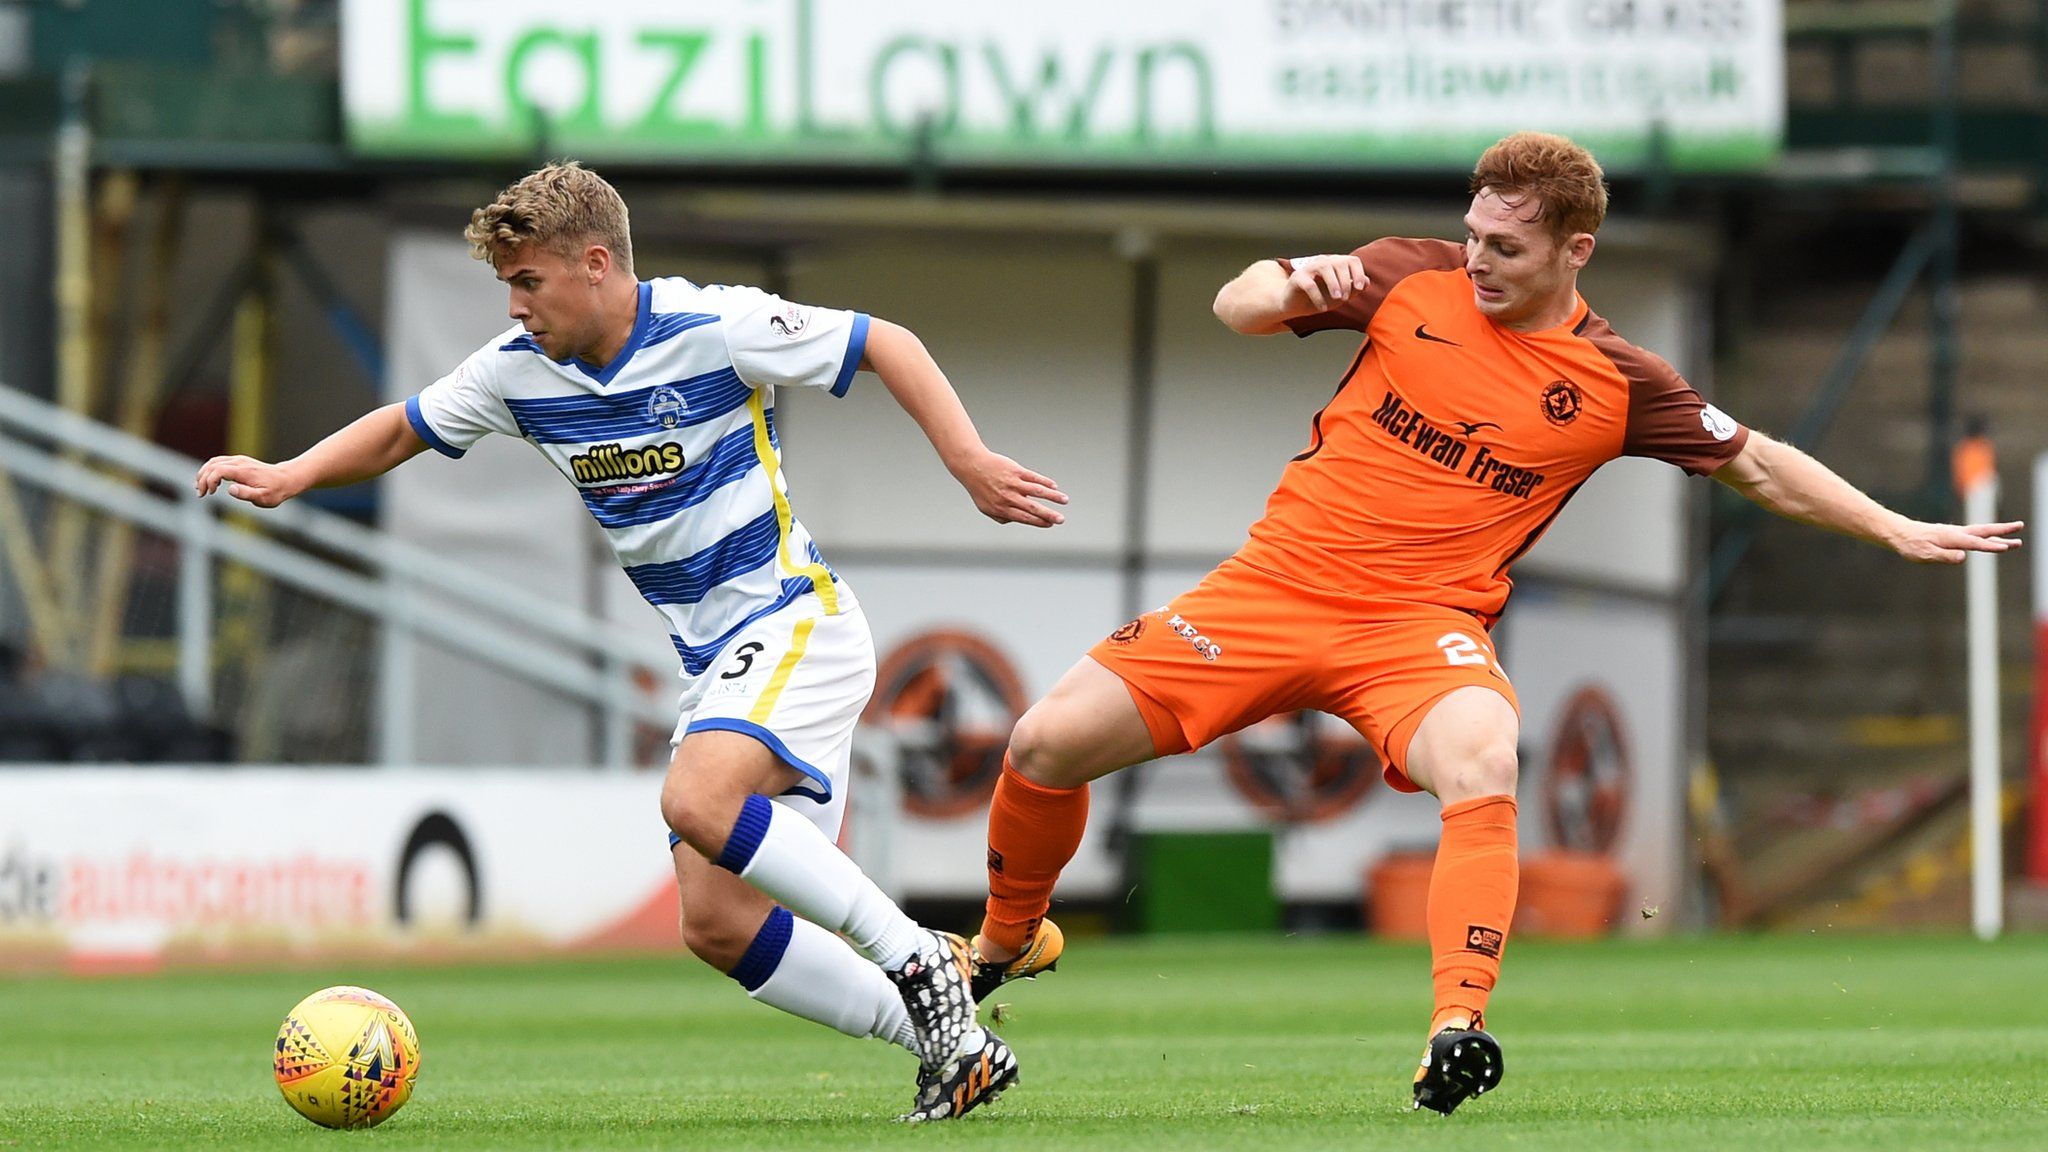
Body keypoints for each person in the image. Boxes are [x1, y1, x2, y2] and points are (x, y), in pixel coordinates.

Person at [965, 131, 2024, 1115]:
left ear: (1576, 250)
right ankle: (1008, 941)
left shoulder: (1615, 381)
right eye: (1472, 234)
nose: (1477, 259)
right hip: (1270, 592)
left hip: (1415, 631)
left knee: (1483, 758)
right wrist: (1296, 275)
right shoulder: (1405, 272)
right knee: (1042, 742)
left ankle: (1456, 1027)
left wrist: (1889, 525)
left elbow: (1753, 461)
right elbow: (1235, 306)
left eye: (1505, 246)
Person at [195, 161, 1069, 1121]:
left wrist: (969, 460)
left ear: (596, 263)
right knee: (718, 924)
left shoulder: (713, 326)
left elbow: (884, 342)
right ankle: (953, 1044)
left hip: (795, 622)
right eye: (508, 287)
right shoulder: (514, 372)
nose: (517, 306)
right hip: (718, 661)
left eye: (528, 282)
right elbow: (403, 429)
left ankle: (919, 961)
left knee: (697, 798)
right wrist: (290, 475)